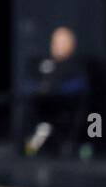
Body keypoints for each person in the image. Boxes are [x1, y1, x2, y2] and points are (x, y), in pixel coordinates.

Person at [19, 27, 91, 158]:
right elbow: (27, 84)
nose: (59, 46)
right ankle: (32, 145)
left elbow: (79, 86)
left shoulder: (76, 65)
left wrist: (55, 90)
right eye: (57, 42)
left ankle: (67, 145)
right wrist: (41, 90)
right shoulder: (40, 63)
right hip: (40, 106)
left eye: (64, 42)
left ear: (72, 45)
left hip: (64, 107)